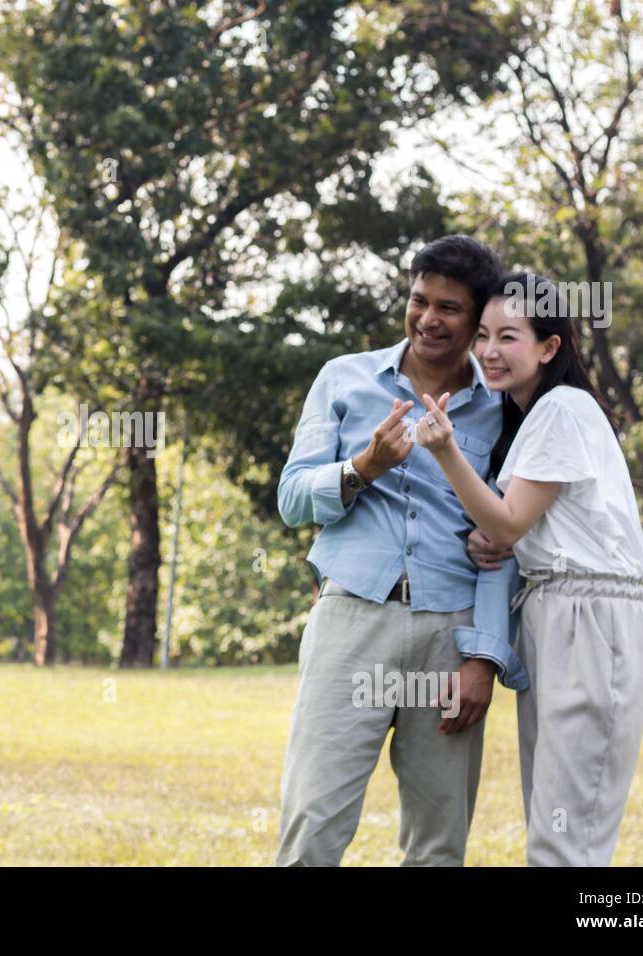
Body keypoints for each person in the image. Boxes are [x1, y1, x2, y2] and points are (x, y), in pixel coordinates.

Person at [275, 235, 524, 867]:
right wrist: (363, 467)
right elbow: (293, 498)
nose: (428, 319)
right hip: (351, 622)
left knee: (439, 841)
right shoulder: (344, 378)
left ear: (477, 320)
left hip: (451, 635)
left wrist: (485, 660)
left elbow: (505, 540)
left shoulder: (504, 410)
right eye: (419, 300)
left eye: (448, 308)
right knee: (314, 819)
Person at [413, 271, 643, 866]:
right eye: (485, 336)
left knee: (566, 840)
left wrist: (446, 453)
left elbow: (509, 522)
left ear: (549, 347)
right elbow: (512, 528)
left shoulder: (563, 409)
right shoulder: (534, 419)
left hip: (591, 617)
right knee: (552, 825)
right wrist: (496, 538)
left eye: (510, 337)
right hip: (553, 613)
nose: (490, 352)